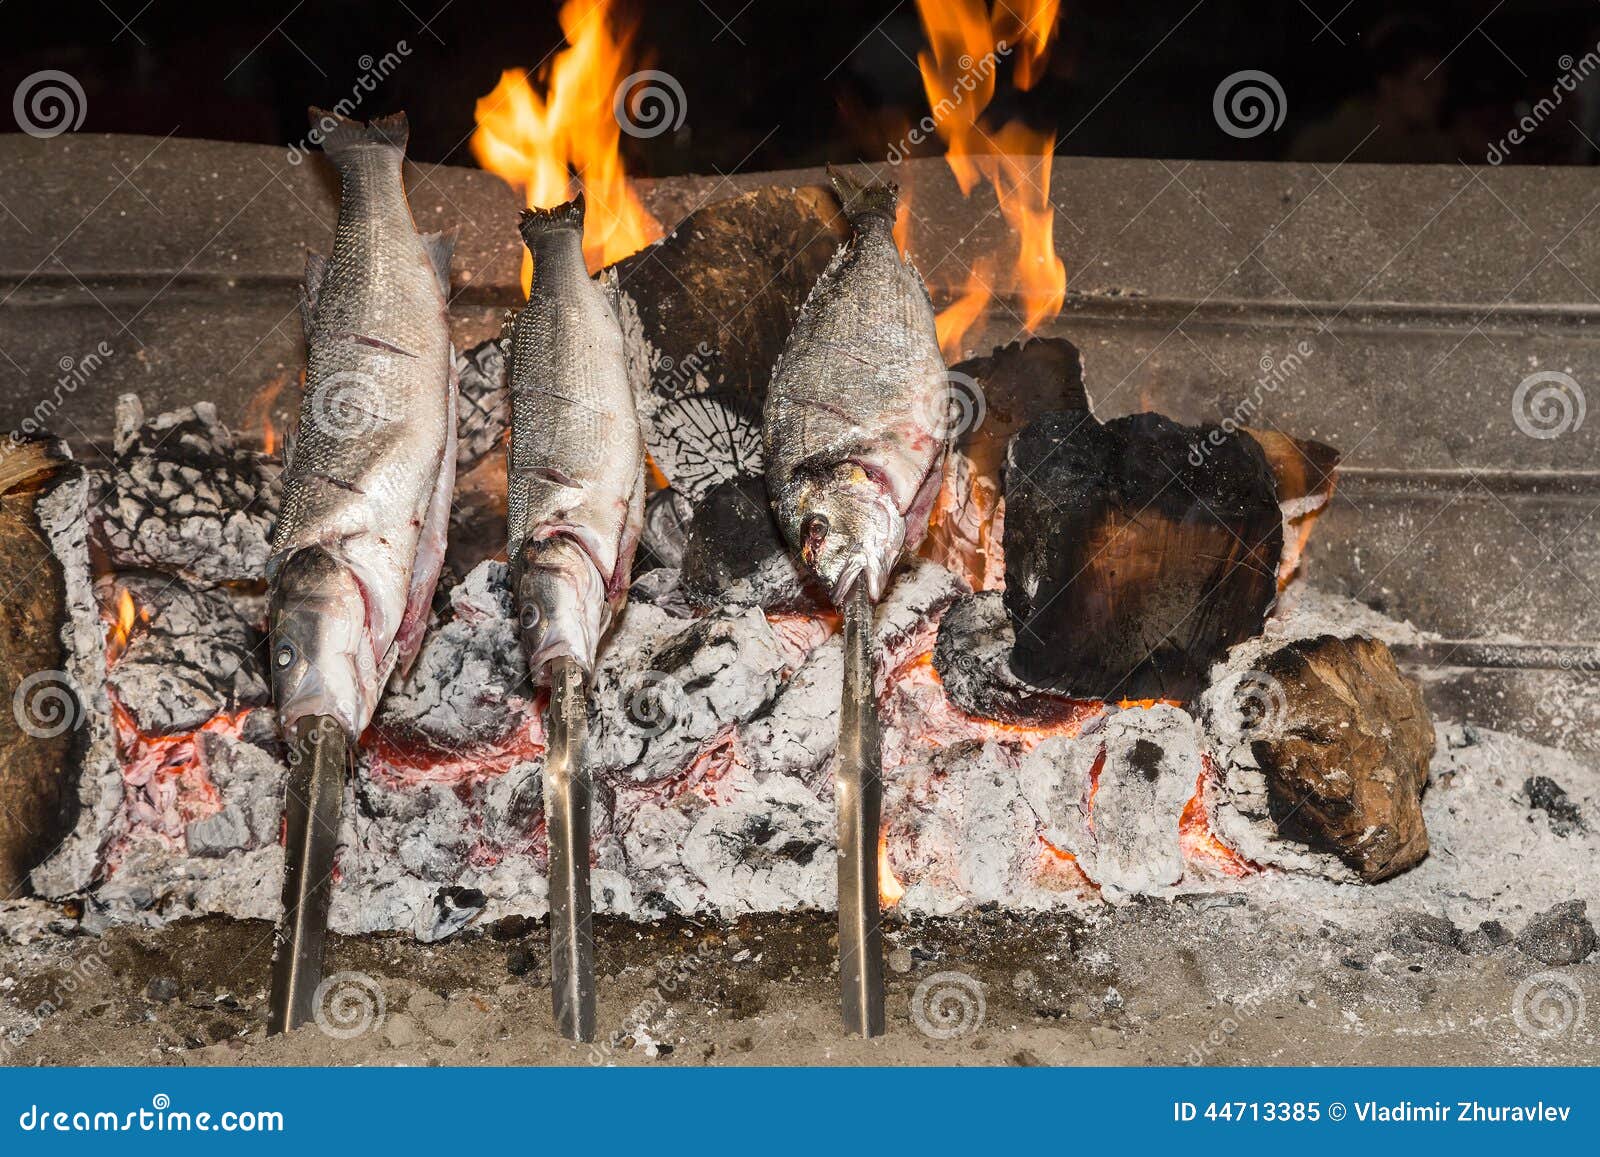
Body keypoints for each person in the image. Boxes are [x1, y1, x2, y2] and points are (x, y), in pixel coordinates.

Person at [1289, 14, 1456, 164]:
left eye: (1442, 81)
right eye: (1424, 84)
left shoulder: (1437, 151)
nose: (1438, 93)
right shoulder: (1325, 145)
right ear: (1389, 85)